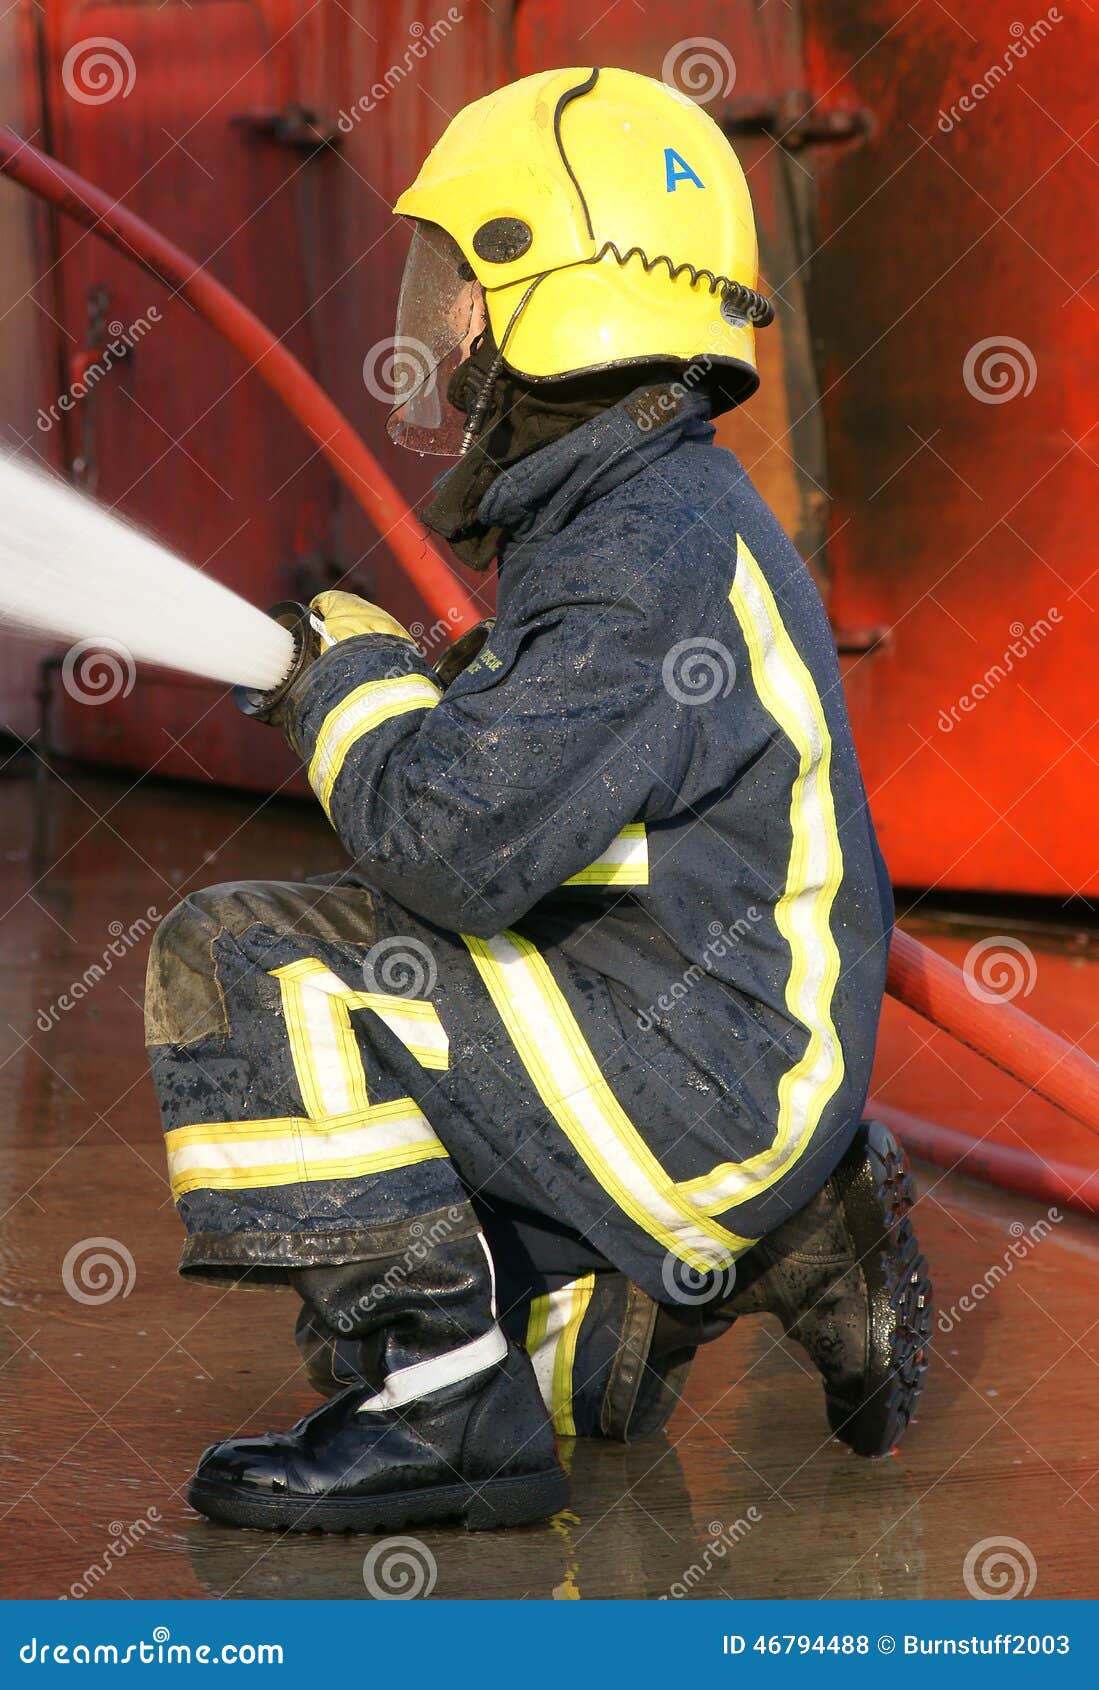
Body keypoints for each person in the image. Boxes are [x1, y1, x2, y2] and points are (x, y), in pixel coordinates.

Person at [145, 65, 931, 1536]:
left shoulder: (641, 552)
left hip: (711, 1070)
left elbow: (449, 846)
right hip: (687, 1028)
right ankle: (749, 1253)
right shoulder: (639, 513)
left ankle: (440, 1413)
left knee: (250, 962)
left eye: (462, 280)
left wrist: (341, 685)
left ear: (560, 287)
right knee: (565, 1382)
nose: (438, 325)